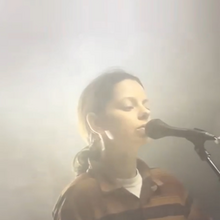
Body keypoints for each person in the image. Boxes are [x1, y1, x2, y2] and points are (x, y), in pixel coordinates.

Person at [52, 69, 211, 220]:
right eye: (128, 106)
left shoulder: (169, 183)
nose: (145, 112)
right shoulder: (79, 198)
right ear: (96, 123)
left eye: (146, 105)